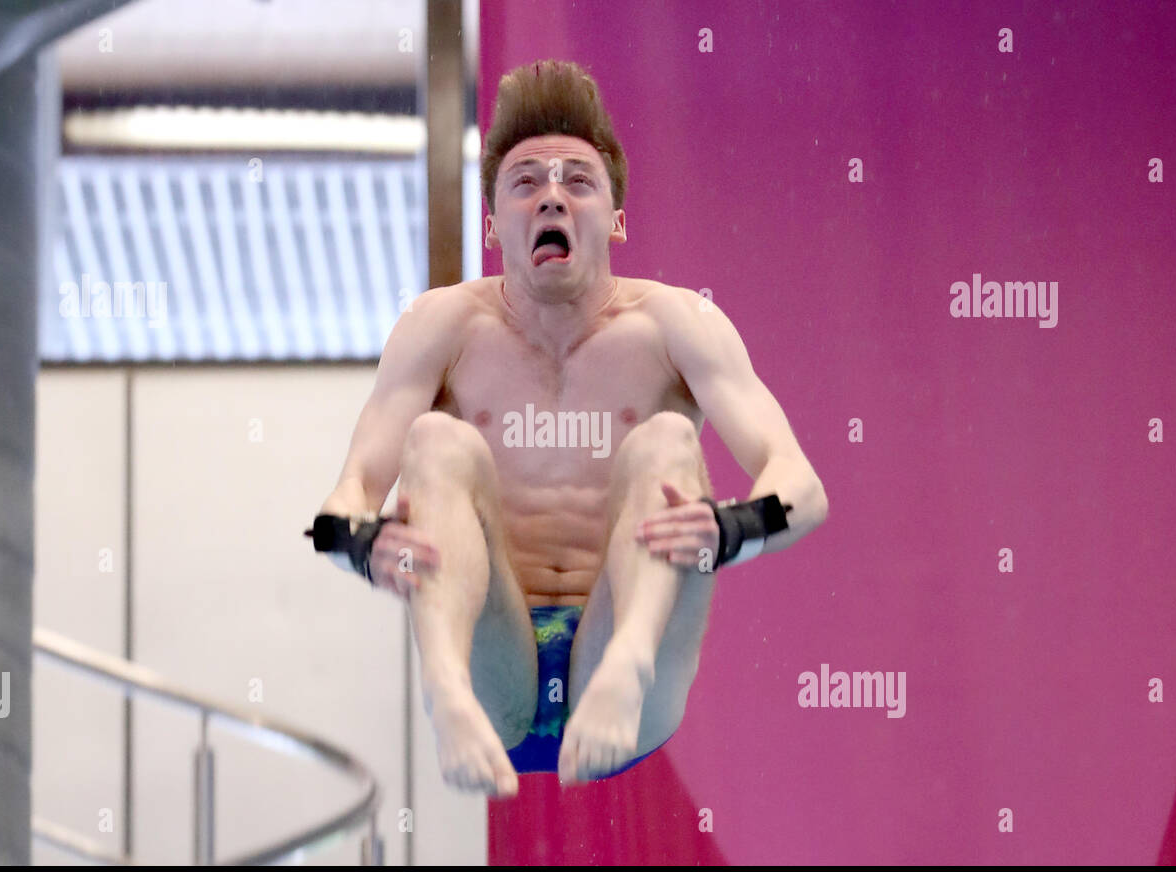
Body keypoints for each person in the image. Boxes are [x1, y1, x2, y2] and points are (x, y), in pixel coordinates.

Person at [311, 59, 828, 798]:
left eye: (577, 182)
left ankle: (629, 661)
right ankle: (445, 688)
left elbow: (801, 483)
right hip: (496, 657)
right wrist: (366, 548)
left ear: (616, 219)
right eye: (526, 183)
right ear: (491, 226)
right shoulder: (441, 326)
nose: (552, 195)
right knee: (436, 441)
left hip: (625, 650)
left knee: (665, 443)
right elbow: (344, 502)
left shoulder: (676, 323)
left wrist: (732, 529)